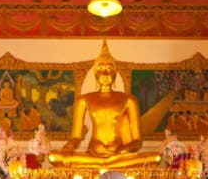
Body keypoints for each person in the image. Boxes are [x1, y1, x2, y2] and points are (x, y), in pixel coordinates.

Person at [48, 41, 161, 169]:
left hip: (119, 155)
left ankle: (105, 164)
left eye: (109, 69)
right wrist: (69, 147)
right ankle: (104, 164)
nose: (105, 73)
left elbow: (137, 142)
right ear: (95, 73)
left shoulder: (129, 100)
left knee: (156, 157)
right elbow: (76, 136)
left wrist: (120, 152)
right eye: (101, 69)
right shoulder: (83, 99)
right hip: (93, 154)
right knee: (53, 156)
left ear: (115, 73)